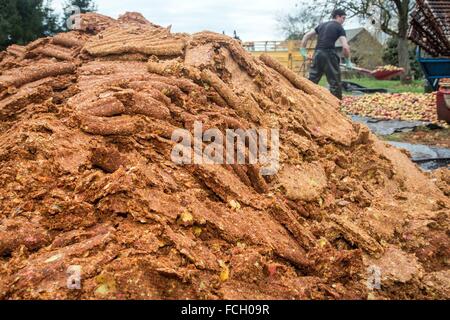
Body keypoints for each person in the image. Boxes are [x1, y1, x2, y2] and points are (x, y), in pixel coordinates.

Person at [300, 9, 352, 100]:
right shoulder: (339, 27)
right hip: (329, 54)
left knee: (312, 80)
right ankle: (336, 106)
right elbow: (345, 47)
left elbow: (306, 36)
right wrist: (348, 60)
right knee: (335, 82)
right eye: (343, 18)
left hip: (318, 54)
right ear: (337, 16)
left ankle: (304, 100)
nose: (344, 21)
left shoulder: (321, 25)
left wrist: (302, 50)